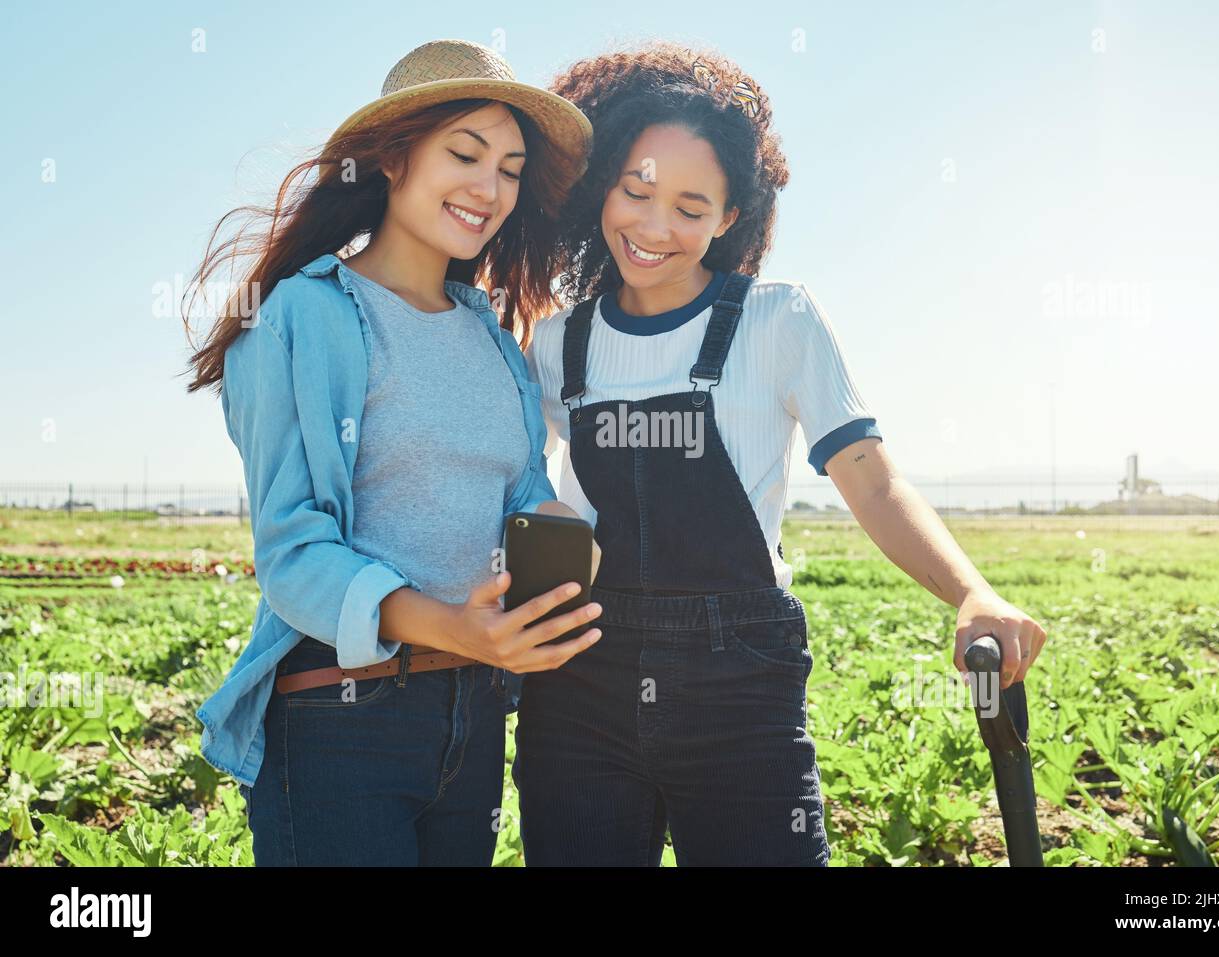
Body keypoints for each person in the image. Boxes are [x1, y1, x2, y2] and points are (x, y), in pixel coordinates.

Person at [515, 41, 1049, 865]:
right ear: (603, 189)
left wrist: (971, 591)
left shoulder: (777, 322)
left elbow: (871, 479)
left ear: (731, 219)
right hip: (580, 682)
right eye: (638, 191)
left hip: (739, 687)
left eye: (693, 208)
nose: (656, 227)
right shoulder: (557, 344)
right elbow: (504, 481)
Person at [185, 39, 602, 865]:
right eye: (466, 153)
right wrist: (454, 623)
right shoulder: (302, 317)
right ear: (392, 155)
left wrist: (585, 542)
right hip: (340, 719)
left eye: (511, 168)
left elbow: (522, 490)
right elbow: (295, 553)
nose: (489, 188)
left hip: (473, 714)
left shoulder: (490, 333)